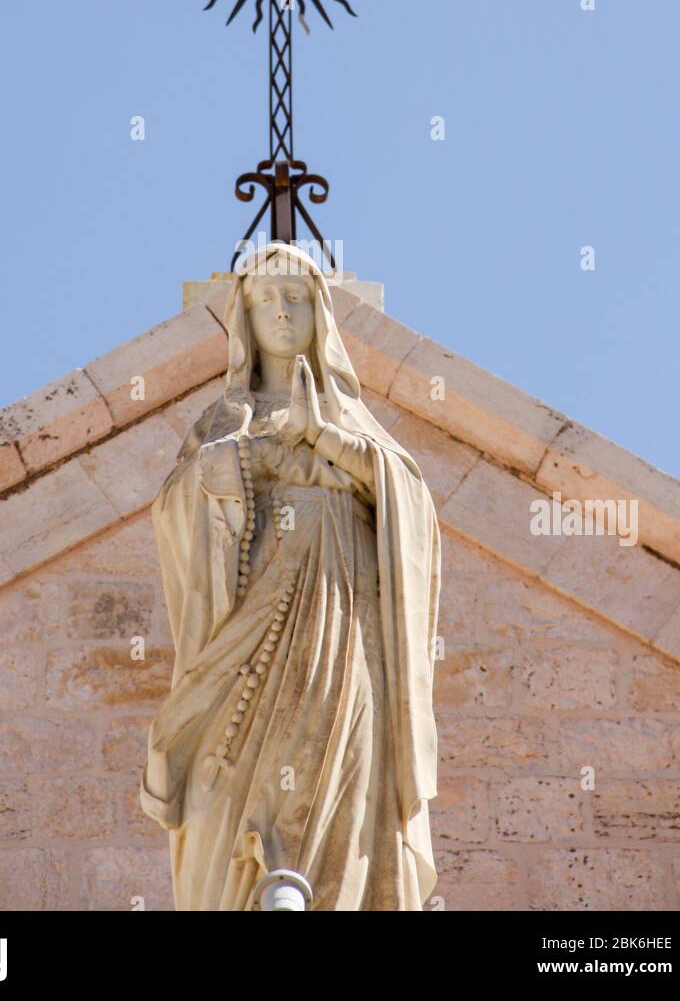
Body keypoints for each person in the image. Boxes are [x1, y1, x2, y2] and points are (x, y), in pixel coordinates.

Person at [140, 241, 441, 910]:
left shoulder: (355, 420)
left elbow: (411, 508)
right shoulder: (223, 421)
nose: (282, 311)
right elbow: (177, 511)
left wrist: (329, 442)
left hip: (345, 638)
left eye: (298, 297)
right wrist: (257, 459)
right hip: (246, 647)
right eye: (266, 298)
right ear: (244, 315)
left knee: (346, 787)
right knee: (229, 796)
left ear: (321, 312)